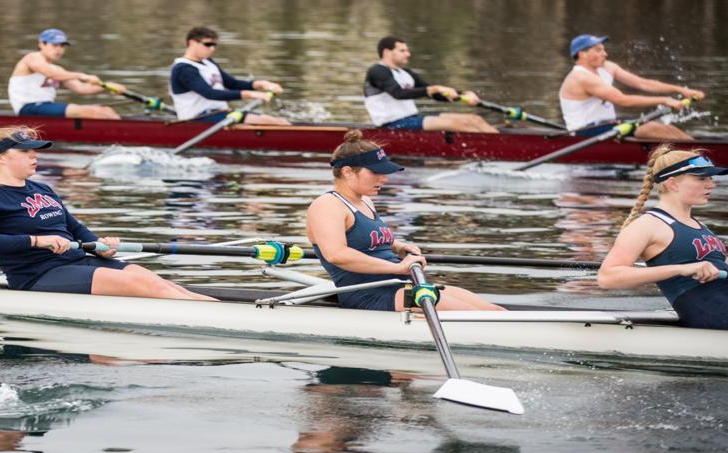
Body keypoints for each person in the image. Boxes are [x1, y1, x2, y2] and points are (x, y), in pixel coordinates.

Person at [0, 126, 214, 300]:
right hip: (38, 275)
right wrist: (37, 240)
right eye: (25, 151)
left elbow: (73, 227)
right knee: (146, 286)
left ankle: (216, 308)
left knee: (154, 279)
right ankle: (219, 316)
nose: (35, 156)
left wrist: (102, 246)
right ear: (0, 158)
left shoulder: (40, 188)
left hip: (78, 261)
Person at [305, 131, 504, 312]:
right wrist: (398, 267)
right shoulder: (327, 205)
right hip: (371, 295)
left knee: (496, 312)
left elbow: (367, 240)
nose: (384, 179)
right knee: (480, 317)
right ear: (347, 171)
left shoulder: (365, 201)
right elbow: (337, 255)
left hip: (404, 285)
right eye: (376, 172)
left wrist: (399, 246)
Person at [597, 146, 728, 330]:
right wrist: (682, 269)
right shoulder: (647, 225)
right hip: (711, 310)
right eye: (702, 178)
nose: (711, 184)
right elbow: (607, 277)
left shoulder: (702, 227)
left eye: (711, 178)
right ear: (673, 183)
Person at [558, 34, 703, 141]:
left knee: (665, 129)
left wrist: (682, 90)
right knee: (650, 128)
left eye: (603, 49)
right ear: (582, 54)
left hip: (608, 125)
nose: (605, 54)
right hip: (584, 132)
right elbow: (623, 100)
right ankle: (700, 153)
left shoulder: (607, 67)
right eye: (598, 50)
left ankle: (698, 148)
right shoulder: (581, 77)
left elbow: (643, 83)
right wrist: (665, 100)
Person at [362, 36, 497, 133]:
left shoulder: (406, 73)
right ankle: (494, 152)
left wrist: (462, 94)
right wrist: (434, 88)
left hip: (412, 118)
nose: (408, 54)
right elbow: (398, 93)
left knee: (475, 119)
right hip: (391, 125)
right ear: (386, 52)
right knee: (455, 124)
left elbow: (435, 95)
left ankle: (504, 144)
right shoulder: (377, 71)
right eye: (402, 51)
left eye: (407, 50)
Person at [169, 27, 288, 126]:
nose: (212, 49)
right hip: (197, 119)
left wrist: (262, 84)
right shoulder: (183, 69)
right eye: (208, 44)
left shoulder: (208, 62)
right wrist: (250, 94)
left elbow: (232, 84)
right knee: (275, 123)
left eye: (214, 45)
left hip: (219, 115)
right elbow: (210, 93)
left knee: (282, 122)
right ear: (192, 43)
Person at [8, 29, 122, 119]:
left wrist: (108, 86)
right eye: (54, 45)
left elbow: (81, 88)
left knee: (106, 111)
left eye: (62, 46)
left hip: (45, 107)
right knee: (95, 112)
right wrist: (80, 75)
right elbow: (50, 74)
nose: (59, 50)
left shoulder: (57, 69)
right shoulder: (32, 58)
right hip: (28, 108)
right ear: (42, 44)